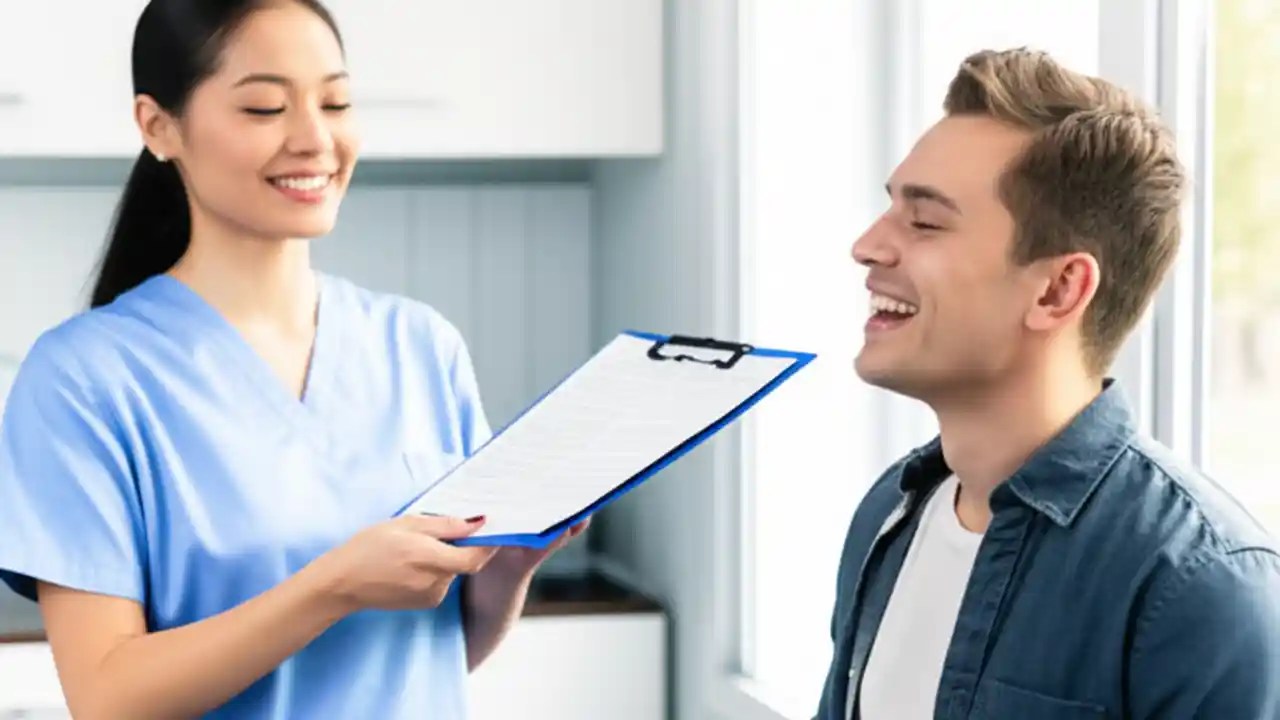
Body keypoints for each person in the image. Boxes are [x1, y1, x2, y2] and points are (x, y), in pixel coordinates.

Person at [0, 1, 586, 718]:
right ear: (158, 127)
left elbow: (429, 656)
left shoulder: (421, 345)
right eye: (264, 107)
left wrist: (512, 568)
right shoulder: (84, 380)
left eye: (336, 101)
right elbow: (109, 697)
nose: (315, 138)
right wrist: (333, 585)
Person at [815, 48, 1280, 719]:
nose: (868, 245)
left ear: (1060, 290)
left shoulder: (1204, 586)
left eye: (924, 222)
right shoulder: (889, 514)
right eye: (889, 208)